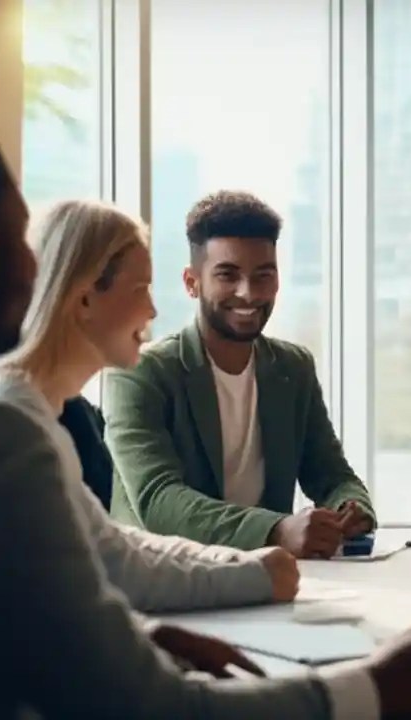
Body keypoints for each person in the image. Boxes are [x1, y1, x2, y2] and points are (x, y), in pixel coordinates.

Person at [0, 76, 411, 720]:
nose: (35, 268)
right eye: (20, 239)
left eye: (263, 273)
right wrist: (379, 687)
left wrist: (135, 635)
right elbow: (156, 701)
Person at [0, 198, 301, 612]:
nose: (152, 310)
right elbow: (115, 569)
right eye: (140, 289)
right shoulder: (11, 423)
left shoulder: (39, 412)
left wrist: (241, 561)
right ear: (84, 299)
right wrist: (255, 574)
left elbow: (110, 543)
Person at [105, 190, 375, 557]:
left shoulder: (293, 368)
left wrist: (351, 510)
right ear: (191, 282)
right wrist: (276, 530)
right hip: (166, 581)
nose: (248, 294)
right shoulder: (140, 373)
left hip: (269, 581)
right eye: (228, 276)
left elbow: (332, 475)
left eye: (263, 276)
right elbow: (157, 501)